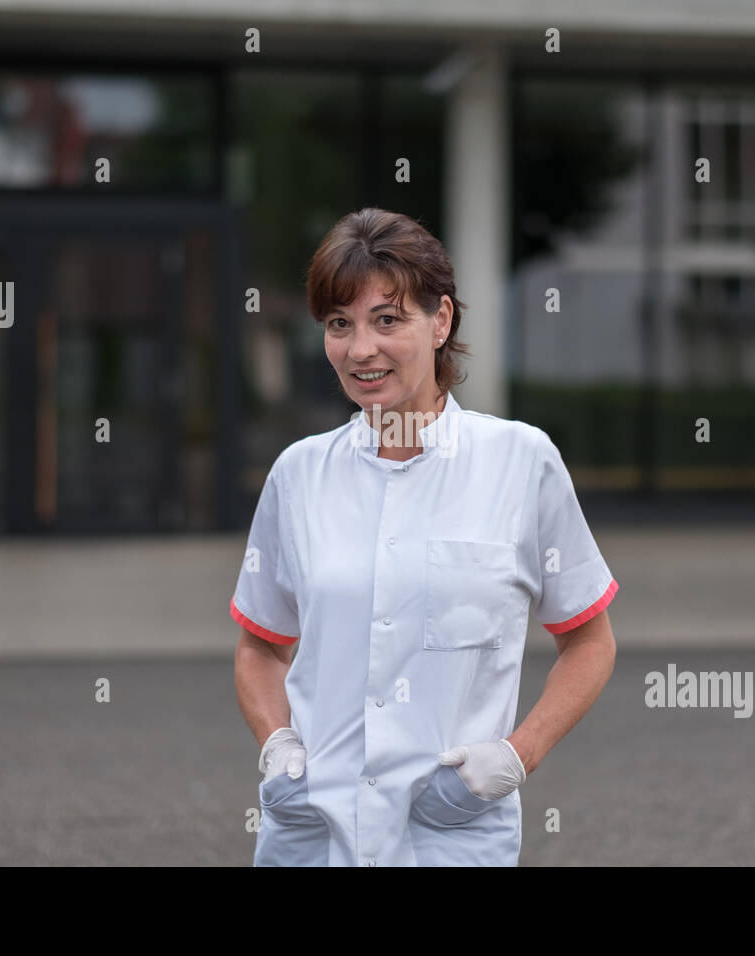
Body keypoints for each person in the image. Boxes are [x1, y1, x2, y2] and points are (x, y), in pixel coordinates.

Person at [231, 207, 617, 867]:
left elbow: (589, 641)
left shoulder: (520, 464)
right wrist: (278, 748)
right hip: (312, 835)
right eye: (339, 324)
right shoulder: (299, 476)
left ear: (441, 321)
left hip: (451, 834)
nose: (360, 349)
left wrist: (515, 757)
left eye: (388, 320)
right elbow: (260, 646)